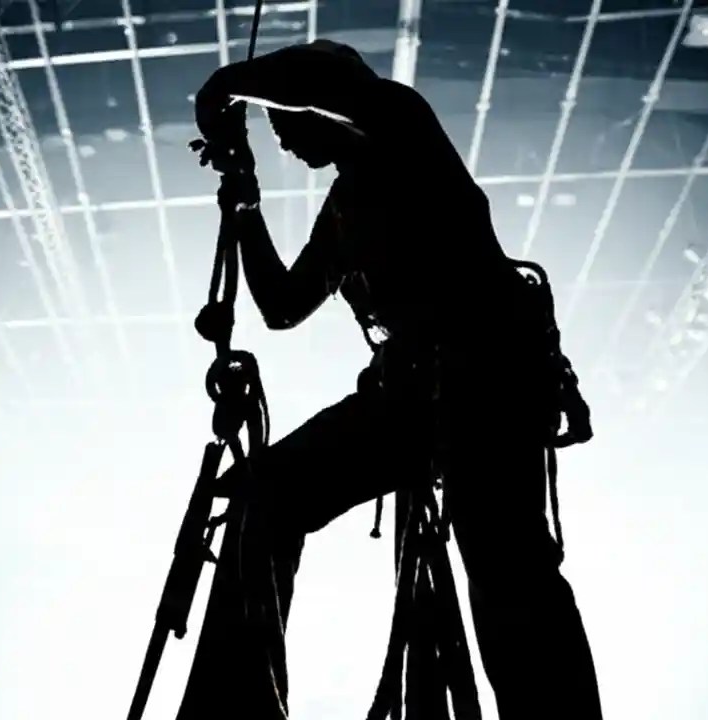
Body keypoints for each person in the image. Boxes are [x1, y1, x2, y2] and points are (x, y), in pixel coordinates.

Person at [178, 39, 602, 719]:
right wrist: (248, 209)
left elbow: (330, 92)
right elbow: (284, 306)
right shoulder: (344, 206)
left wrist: (225, 89)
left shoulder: (400, 126)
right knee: (266, 497)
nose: (281, 135)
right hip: (407, 391)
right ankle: (237, 707)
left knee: (506, 569)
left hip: (487, 379)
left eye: (286, 118)